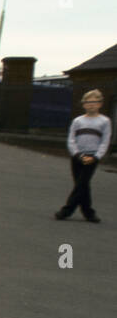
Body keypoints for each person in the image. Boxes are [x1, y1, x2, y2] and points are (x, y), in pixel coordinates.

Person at [55, 89, 110, 223]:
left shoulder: (104, 121)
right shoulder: (77, 121)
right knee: (81, 185)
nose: (91, 104)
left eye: (94, 102)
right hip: (77, 156)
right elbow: (71, 140)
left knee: (82, 183)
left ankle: (66, 210)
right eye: (88, 102)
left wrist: (96, 156)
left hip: (92, 157)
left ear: (100, 104)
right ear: (83, 104)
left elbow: (105, 141)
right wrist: (78, 155)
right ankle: (89, 212)